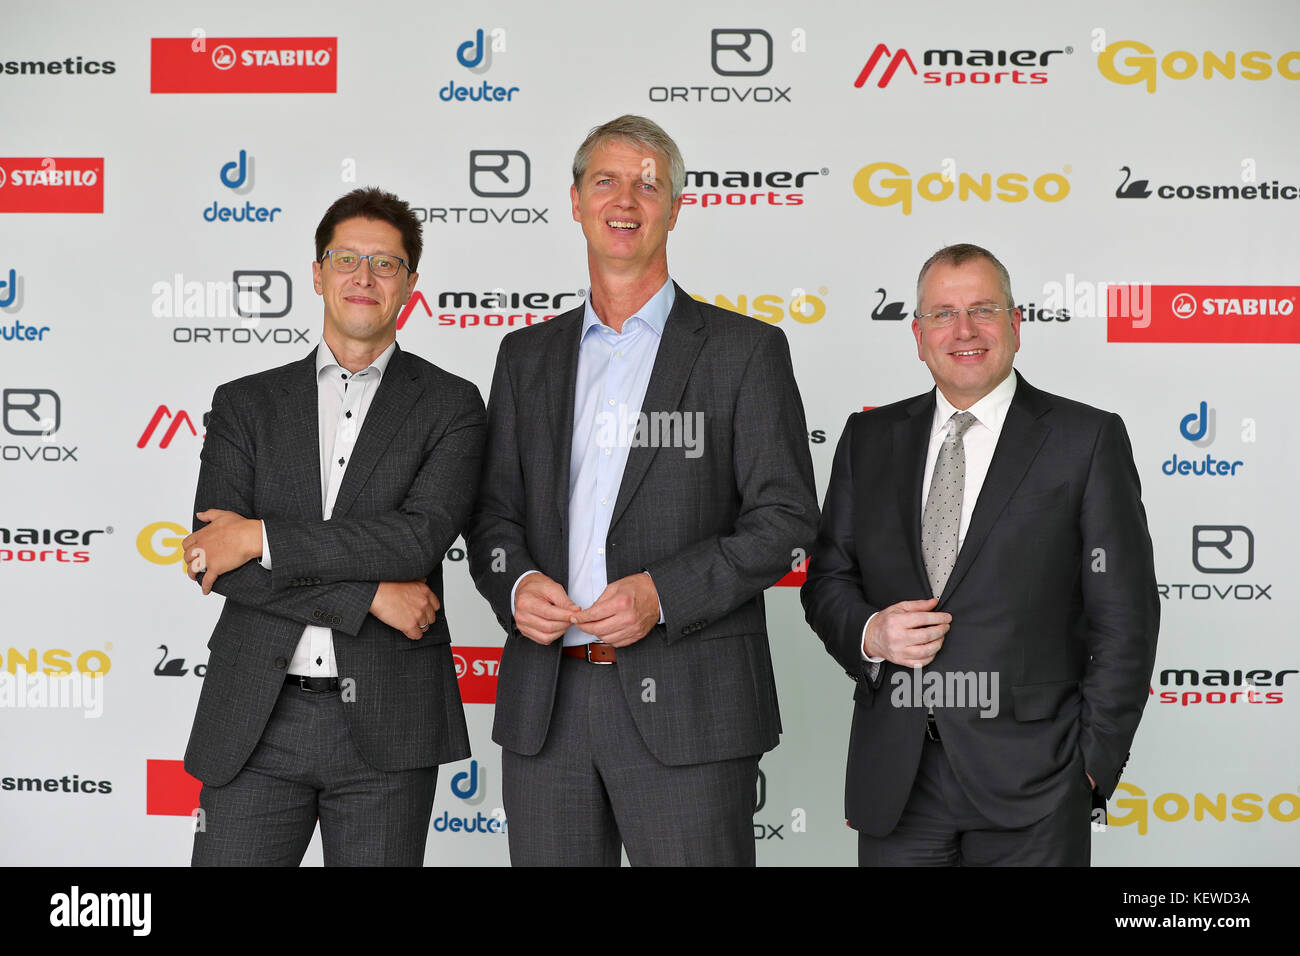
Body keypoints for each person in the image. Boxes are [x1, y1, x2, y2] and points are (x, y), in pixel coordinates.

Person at [467, 115, 819, 866]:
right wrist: (517, 581)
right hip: (547, 708)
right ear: (574, 201)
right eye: (606, 180)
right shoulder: (525, 356)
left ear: (676, 206)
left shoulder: (744, 352)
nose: (625, 198)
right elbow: (493, 513)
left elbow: (786, 519)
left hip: (689, 706)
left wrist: (665, 593)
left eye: (648, 183)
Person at [801, 242, 1159, 866]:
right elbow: (827, 578)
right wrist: (870, 631)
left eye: (982, 310)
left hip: (1037, 786)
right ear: (917, 335)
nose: (963, 330)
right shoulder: (868, 440)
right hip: (898, 782)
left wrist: (1091, 769)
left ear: (1016, 325)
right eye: (941, 314)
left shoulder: (1086, 440)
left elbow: (1126, 617)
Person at [179, 187, 486, 866]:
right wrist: (370, 595)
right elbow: (213, 560)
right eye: (347, 258)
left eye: (386, 264)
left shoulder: (451, 405)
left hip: (389, 724)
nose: (364, 276)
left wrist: (259, 537)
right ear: (317, 273)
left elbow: (417, 539)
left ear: (410, 285)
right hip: (254, 721)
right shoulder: (245, 404)